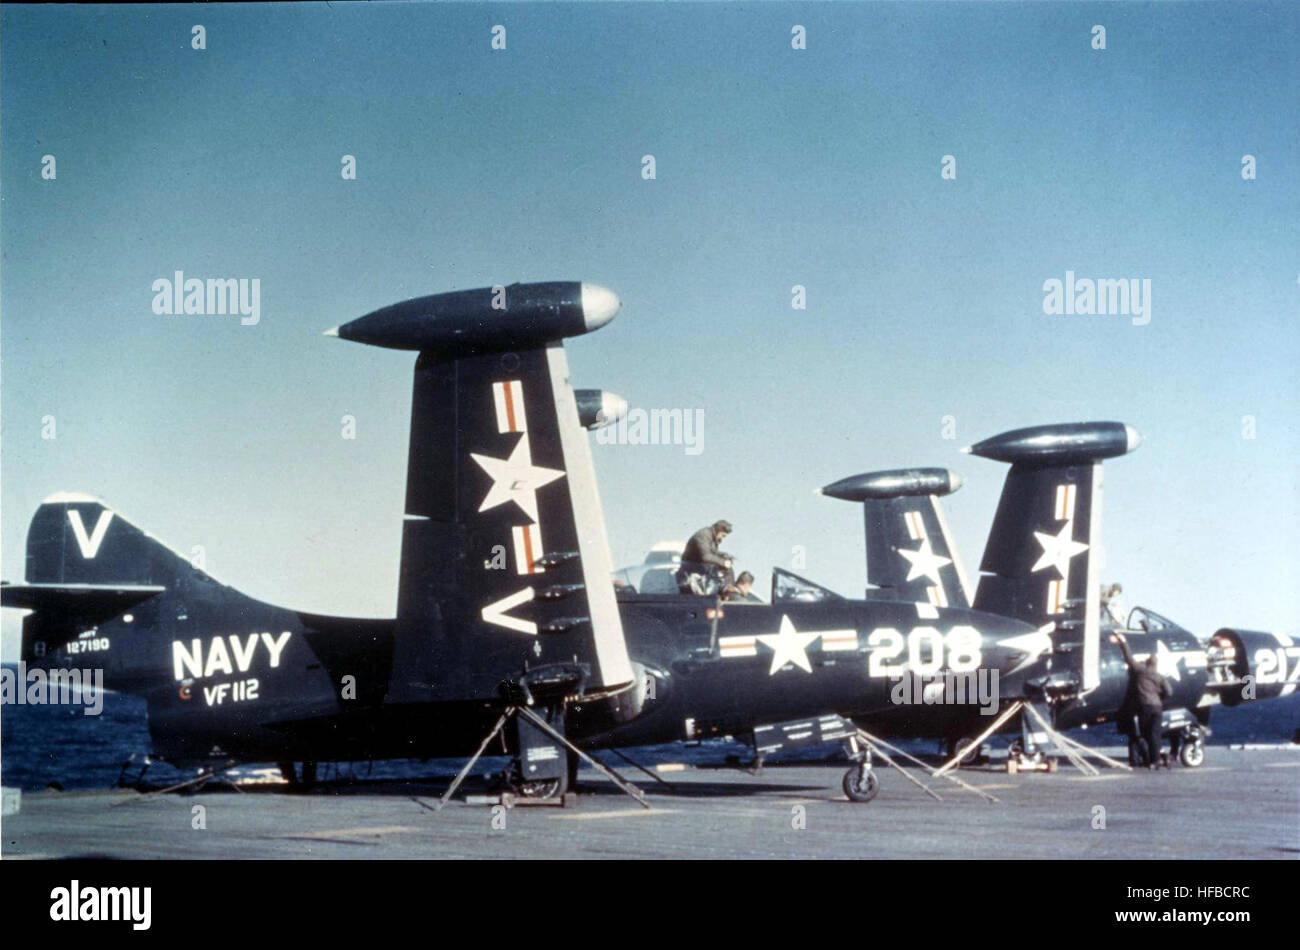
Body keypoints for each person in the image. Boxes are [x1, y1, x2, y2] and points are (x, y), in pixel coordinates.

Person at [1113, 631, 1173, 768]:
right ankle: (1156, 760)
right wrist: (1160, 698)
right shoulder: (1159, 676)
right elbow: (1169, 692)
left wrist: (1123, 641)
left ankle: (1148, 759)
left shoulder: (1140, 671)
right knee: (1155, 734)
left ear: (1147, 663)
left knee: (1145, 734)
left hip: (1144, 708)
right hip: (1157, 707)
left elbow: (1128, 658)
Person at [677, 520, 734, 594]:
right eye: (723, 535)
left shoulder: (712, 537)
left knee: (727, 568)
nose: (722, 539)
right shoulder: (703, 535)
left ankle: (728, 589)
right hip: (690, 568)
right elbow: (705, 556)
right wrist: (723, 562)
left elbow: (712, 552)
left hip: (699, 567)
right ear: (718, 530)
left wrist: (724, 555)